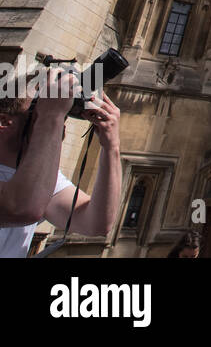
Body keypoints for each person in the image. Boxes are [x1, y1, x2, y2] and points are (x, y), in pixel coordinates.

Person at [0, 65, 122, 258]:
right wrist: (51, 116)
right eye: (38, 107)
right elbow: (21, 208)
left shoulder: (44, 180)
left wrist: (111, 148)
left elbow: (96, 223)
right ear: (5, 122)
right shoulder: (32, 189)